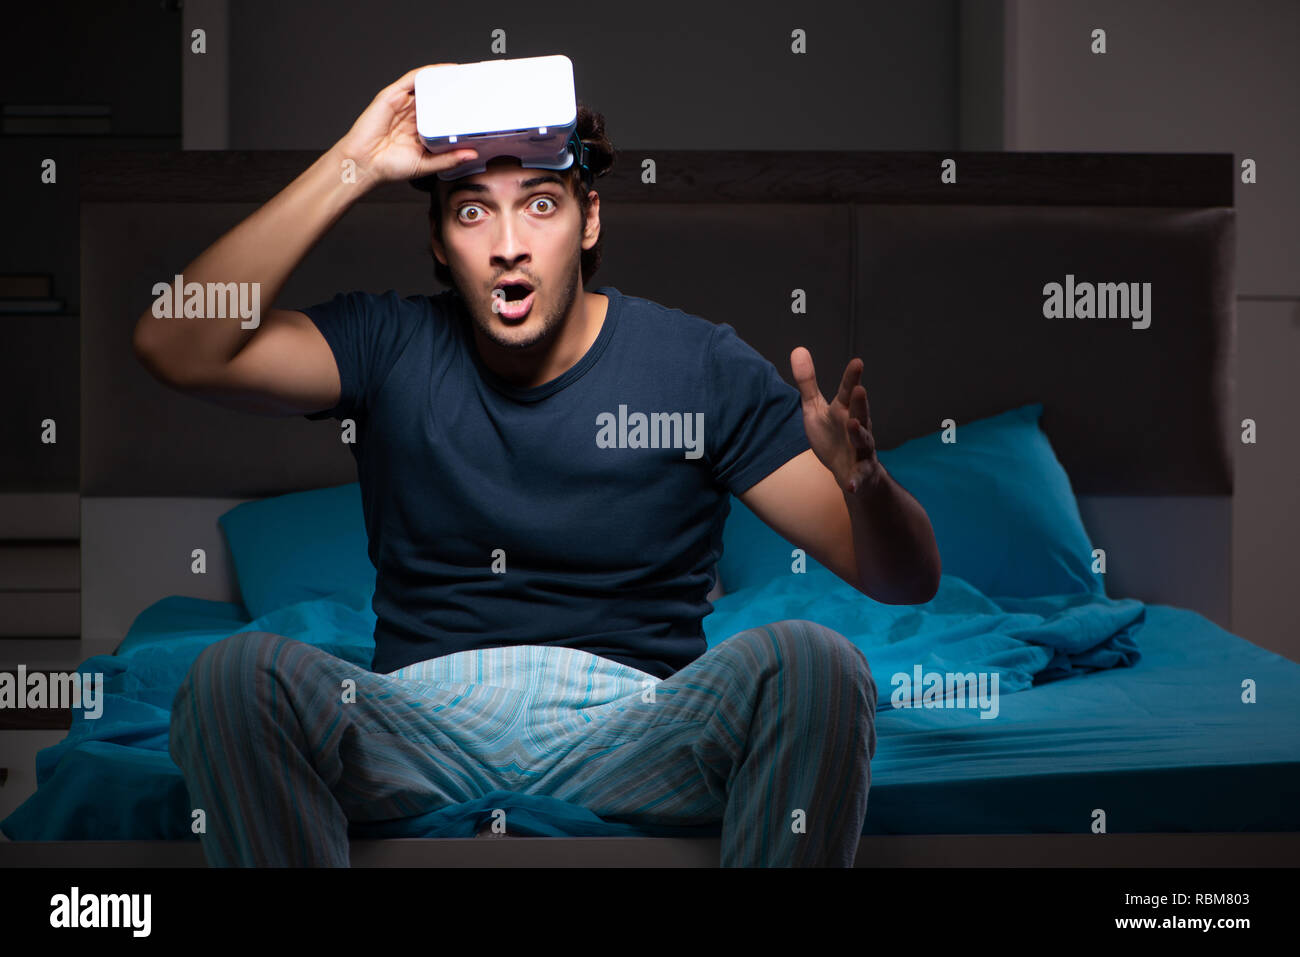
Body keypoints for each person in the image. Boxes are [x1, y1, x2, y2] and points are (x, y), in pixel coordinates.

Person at [134, 64, 941, 867]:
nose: (509, 246)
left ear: (589, 218)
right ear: (438, 242)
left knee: (818, 663)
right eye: (474, 212)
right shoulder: (386, 345)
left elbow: (905, 579)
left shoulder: (698, 365)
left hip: (641, 731)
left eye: (541, 205)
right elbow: (177, 342)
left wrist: (866, 487)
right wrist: (355, 163)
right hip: (416, 731)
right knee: (233, 675)